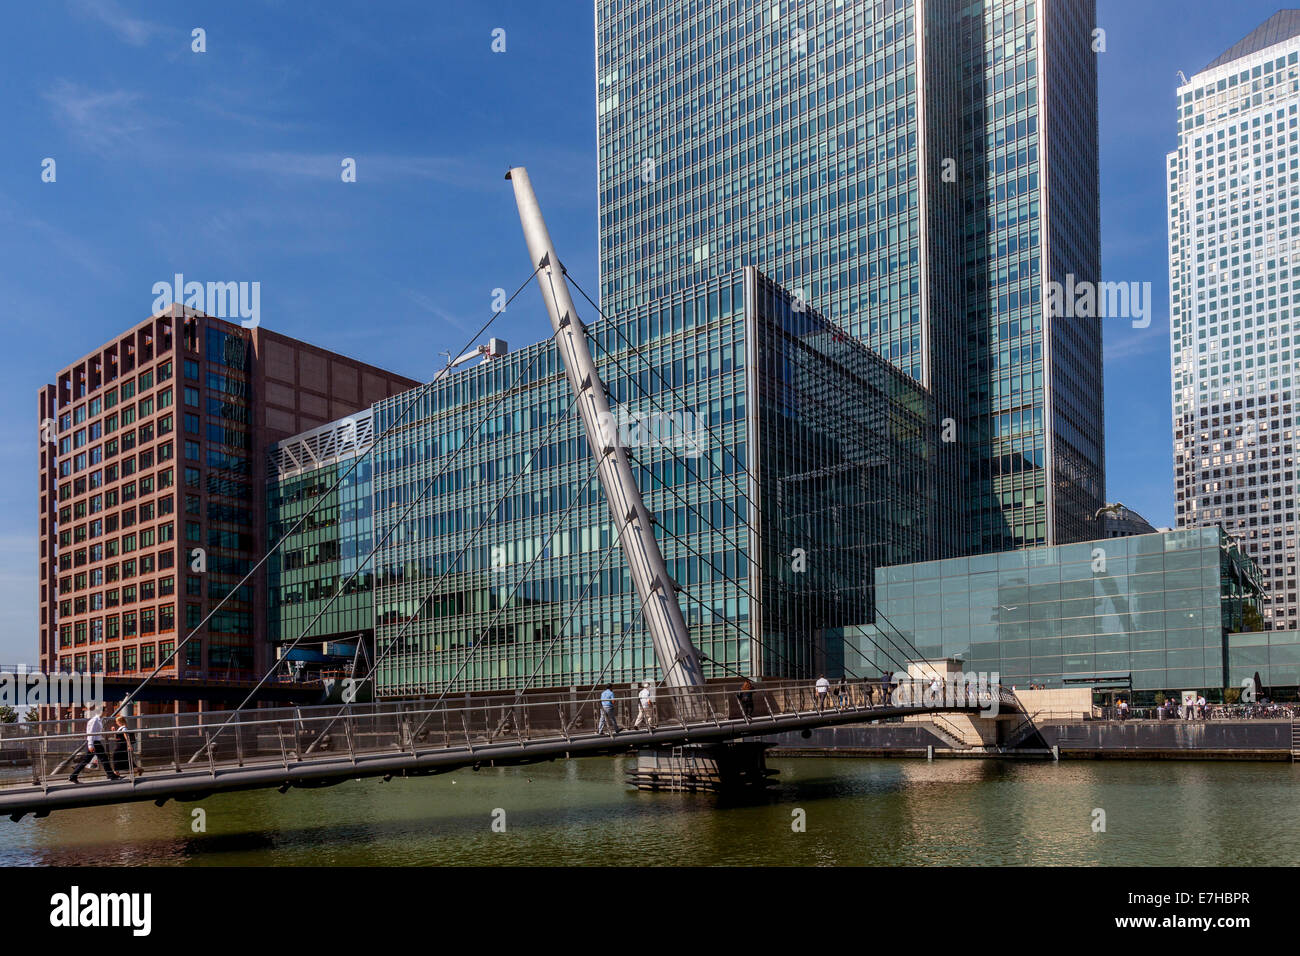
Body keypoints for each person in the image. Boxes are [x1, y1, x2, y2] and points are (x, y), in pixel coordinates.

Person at [68, 706, 122, 783]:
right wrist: (90, 745)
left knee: (90, 760)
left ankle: (73, 776)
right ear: (101, 712)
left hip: (96, 742)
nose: (106, 712)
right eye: (105, 711)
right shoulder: (95, 720)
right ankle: (111, 775)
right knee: (103, 759)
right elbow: (90, 733)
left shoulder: (99, 720)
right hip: (95, 743)